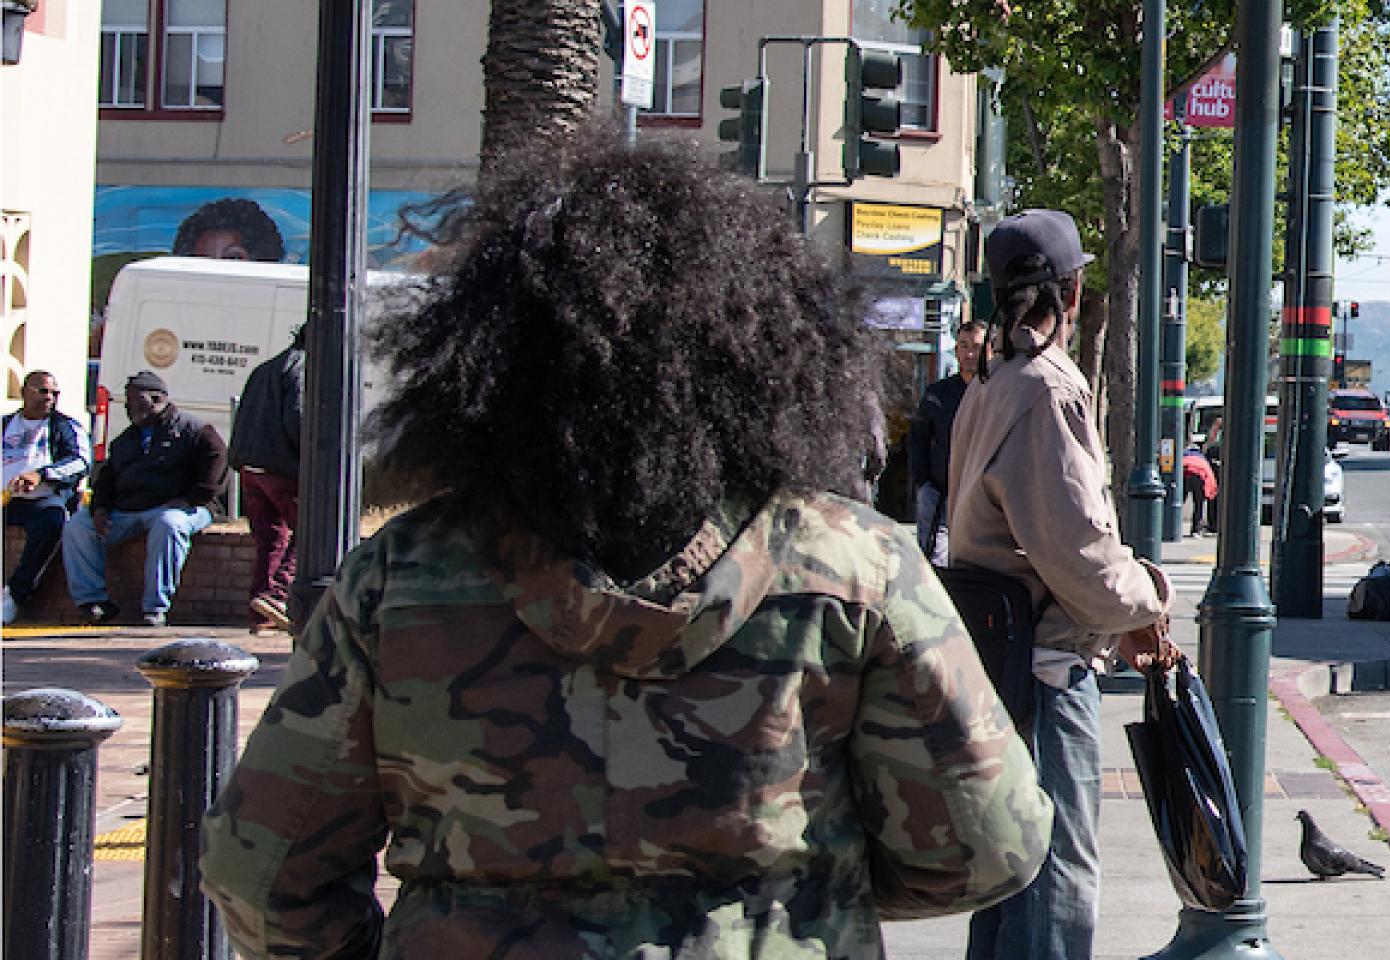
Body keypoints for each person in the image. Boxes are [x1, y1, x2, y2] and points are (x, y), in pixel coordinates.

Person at [197, 134, 1053, 959]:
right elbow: (990, 843)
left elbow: (261, 873)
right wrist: (815, 895)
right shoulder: (855, 566)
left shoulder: (401, 577)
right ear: (765, 357)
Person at [941, 209, 1179, 960]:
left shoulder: (990, 383)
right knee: (1056, 877)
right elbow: (1081, 560)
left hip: (998, 665)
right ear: (1071, 294)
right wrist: (1150, 599)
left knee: (1007, 874)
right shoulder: (1048, 389)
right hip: (1045, 671)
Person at [63, 371, 226, 627]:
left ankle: (155, 609)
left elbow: (217, 463)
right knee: (78, 526)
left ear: (156, 398)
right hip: (130, 510)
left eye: (133, 399)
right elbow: (105, 479)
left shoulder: (194, 430)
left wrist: (192, 498)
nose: (127, 405)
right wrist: (101, 508)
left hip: (183, 506)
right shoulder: (124, 440)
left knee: (169, 525)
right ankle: (94, 602)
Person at [228, 325, 304, 631]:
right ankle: (280, 595)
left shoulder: (266, 368)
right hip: (280, 467)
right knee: (314, 532)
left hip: (251, 465)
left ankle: (260, 613)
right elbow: (298, 417)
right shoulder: (303, 367)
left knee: (270, 540)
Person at [3, 371, 89, 621]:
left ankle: (16, 595)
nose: (49, 397)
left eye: (54, 393)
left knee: (53, 522)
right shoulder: (5, 425)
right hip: (6, 499)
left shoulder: (65, 426)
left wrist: (42, 475)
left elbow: (80, 461)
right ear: (24, 393)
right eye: (42, 391)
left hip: (44, 499)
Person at [909, 319, 991, 557]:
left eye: (976, 346)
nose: (969, 353)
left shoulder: (998, 394)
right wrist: (923, 481)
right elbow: (918, 438)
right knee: (935, 560)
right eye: (963, 346)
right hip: (939, 492)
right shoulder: (938, 394)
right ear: (955, 351)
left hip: (982, 496)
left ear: (990, 349)